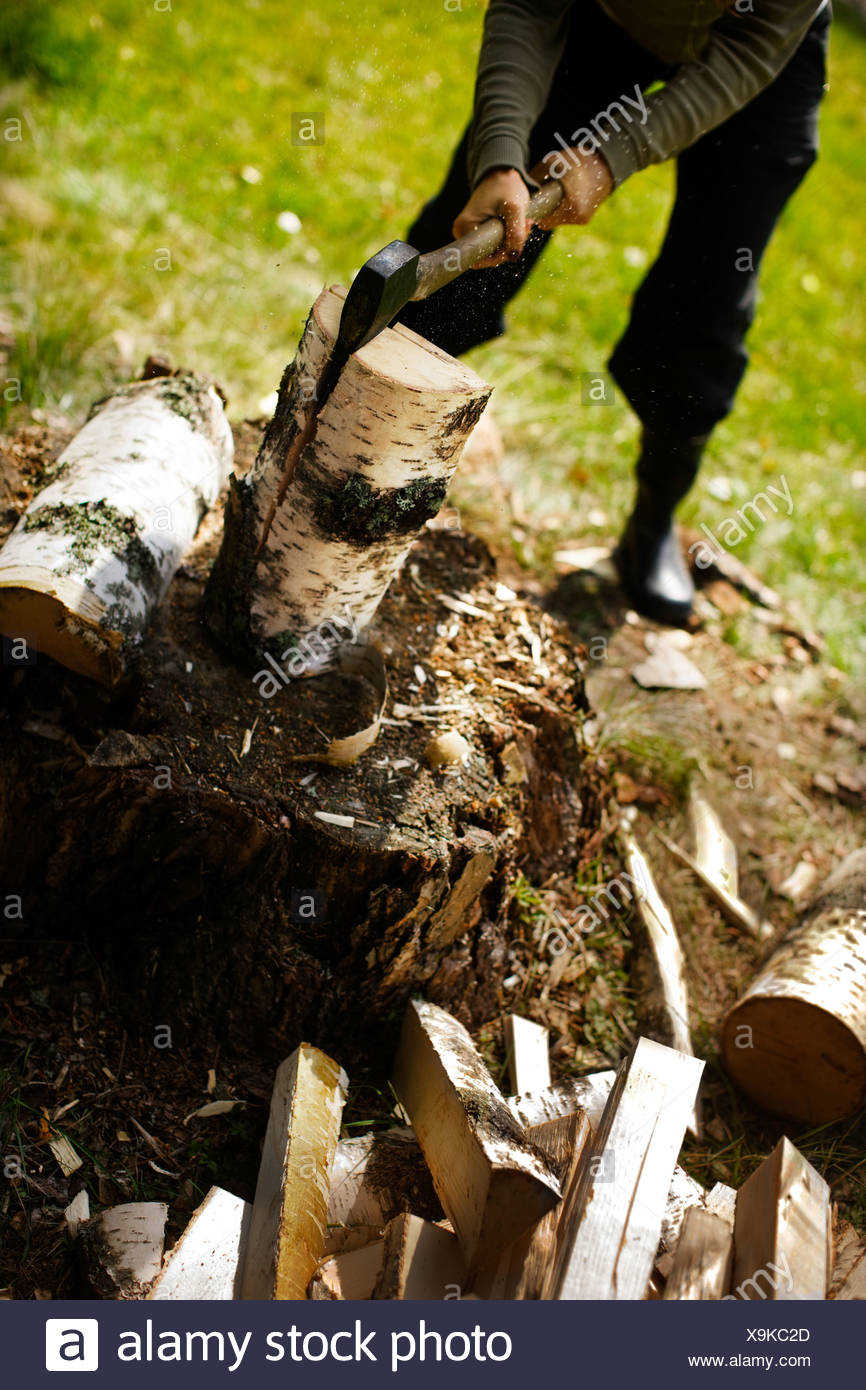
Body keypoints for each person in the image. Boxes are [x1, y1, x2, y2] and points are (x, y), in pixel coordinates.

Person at [397, 0, 831, 625]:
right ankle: (351, 433)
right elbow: (528, 7)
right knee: (478, 230)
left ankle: (651, 523)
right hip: (598, 17)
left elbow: (742, 53)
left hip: (761, 55)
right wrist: (499, 156)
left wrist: (613, 157)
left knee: (709, 293)